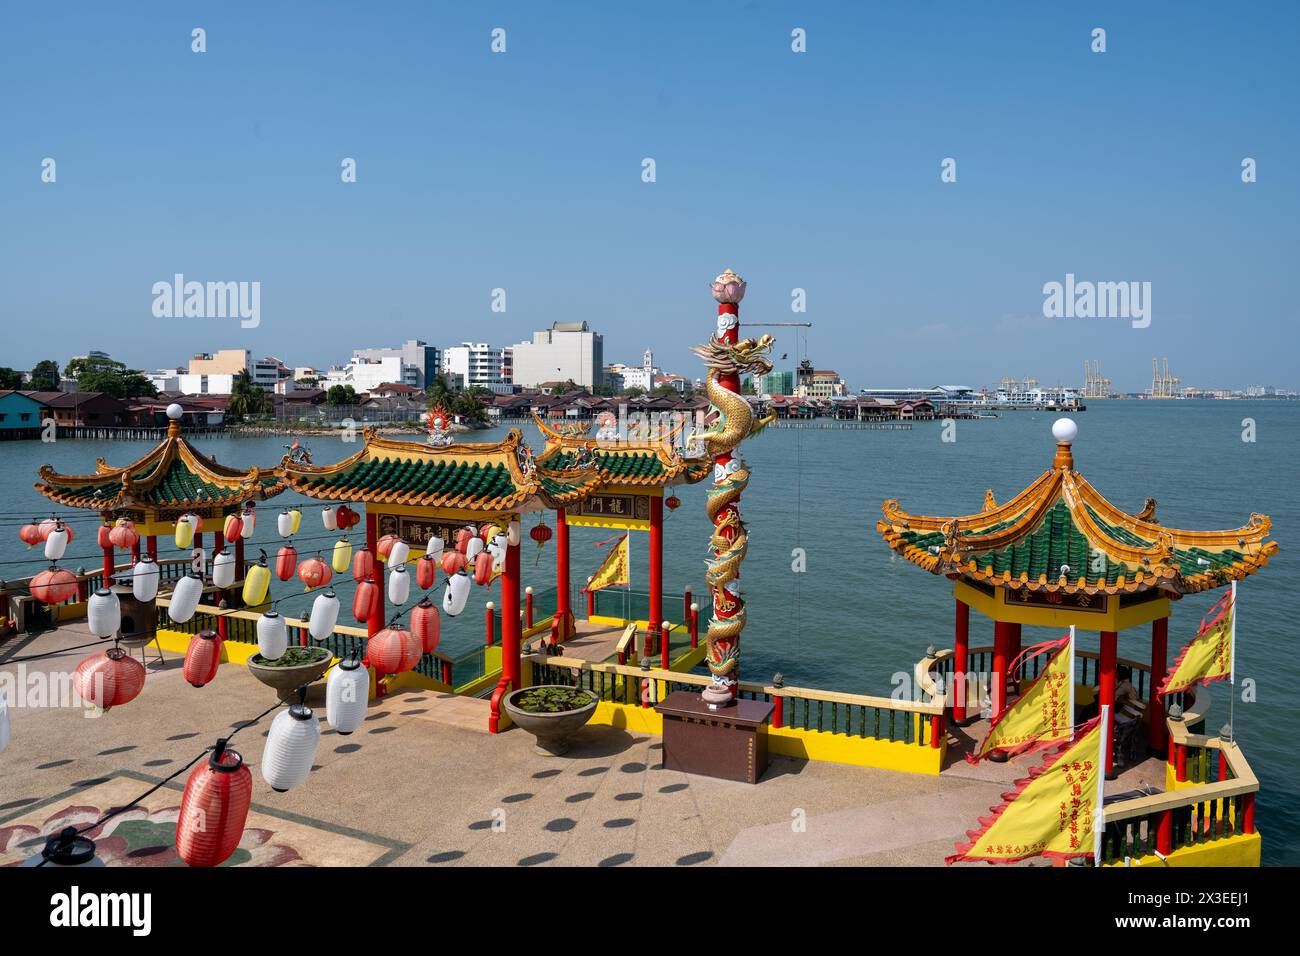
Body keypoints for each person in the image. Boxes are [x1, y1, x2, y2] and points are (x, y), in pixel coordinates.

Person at [1112, 665, 1146, 766]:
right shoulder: (1119, 683)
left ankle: (1120, 753)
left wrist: (1123, 698)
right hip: (1126, 715)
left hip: (1120, 714)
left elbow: (1134, 697)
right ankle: (1131, 750)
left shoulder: (1125, 685)